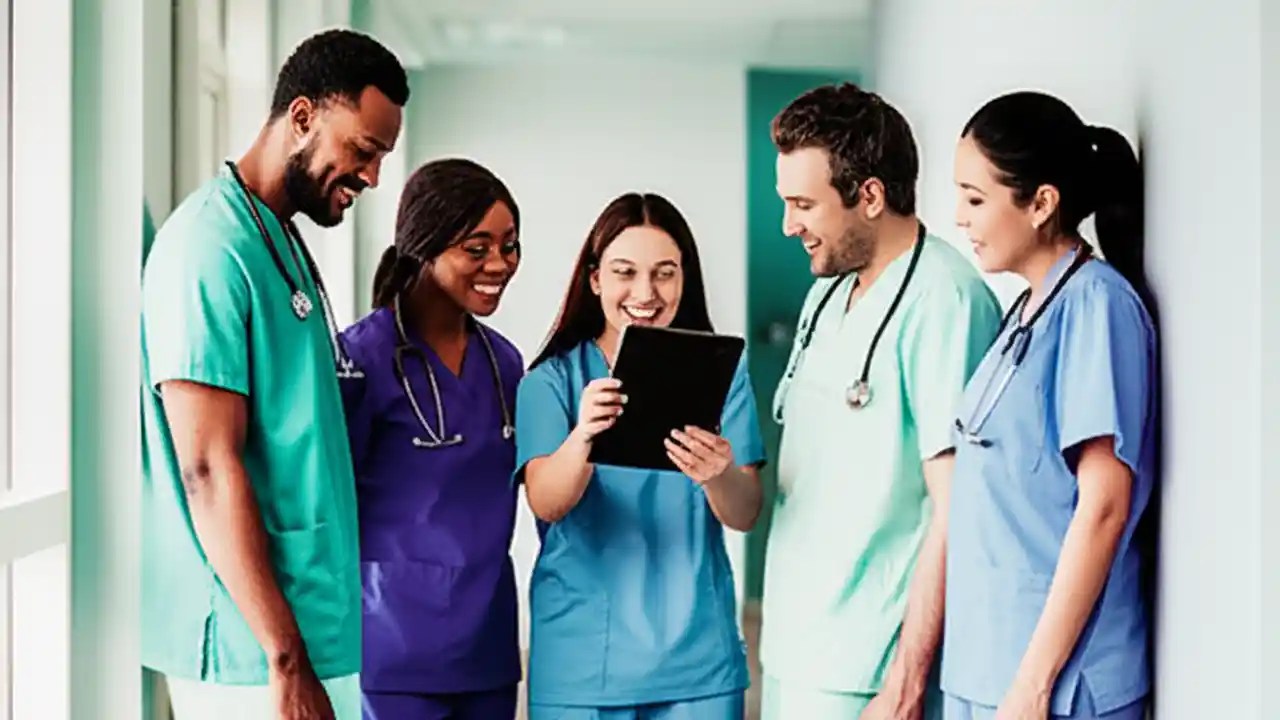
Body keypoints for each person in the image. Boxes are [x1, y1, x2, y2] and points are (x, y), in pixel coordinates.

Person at [140, 29, 408, 720]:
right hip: (251, 651)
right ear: (302, 118)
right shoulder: (208, 245)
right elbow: (205, 465)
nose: (372, 176)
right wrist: (284, 659)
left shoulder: (277, 236)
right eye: (363, 150)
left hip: (311, 627)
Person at [760, 82, 1003, 720]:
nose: (789, 225)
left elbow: (958, 509)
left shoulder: (945, 300)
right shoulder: (825, 295)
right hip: (794, 647)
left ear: (869, 196)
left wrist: (906, 680)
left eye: (803, 204)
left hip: (867, 666)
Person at [942, 91, 1155, 720]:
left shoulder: (1096, 306)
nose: (960, 217)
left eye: (975, 199)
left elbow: (1105, 506)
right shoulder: (1027, 310)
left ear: (1041, 203)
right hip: (988, 668)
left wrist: (1033, 687)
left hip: (1055, 686)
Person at [514, 192, 766, 720]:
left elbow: (744, 512)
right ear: (595, 278)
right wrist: (583, 435)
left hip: (699, 662)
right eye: (625, 271)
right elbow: (546, 503)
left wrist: (718, 474)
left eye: (665, 273)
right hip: (583, 664)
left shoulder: (722, 376)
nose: (645, 292)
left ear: (685, 279)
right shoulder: (550, 382)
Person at [336, 158, 525, 720]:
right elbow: (330, 503)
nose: (500, 263)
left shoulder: (505, 363)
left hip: (486, 645)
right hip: (393, 646)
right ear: (424, 245)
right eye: (477, 247)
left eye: (510, 245)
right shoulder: (359, 359)